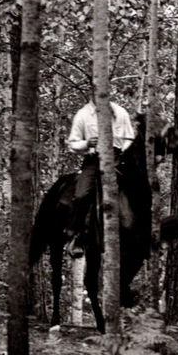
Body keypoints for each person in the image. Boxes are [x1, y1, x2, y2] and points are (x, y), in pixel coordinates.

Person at [64, 97, 136, 245]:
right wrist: (86, 143)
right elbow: (72, 144)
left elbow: (129, 137)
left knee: (136, 189)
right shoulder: (83, 114)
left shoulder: (120, 112)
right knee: (81, 195)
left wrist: (123, 149)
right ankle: (76, 232)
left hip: (117, 159)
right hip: (93, 161)